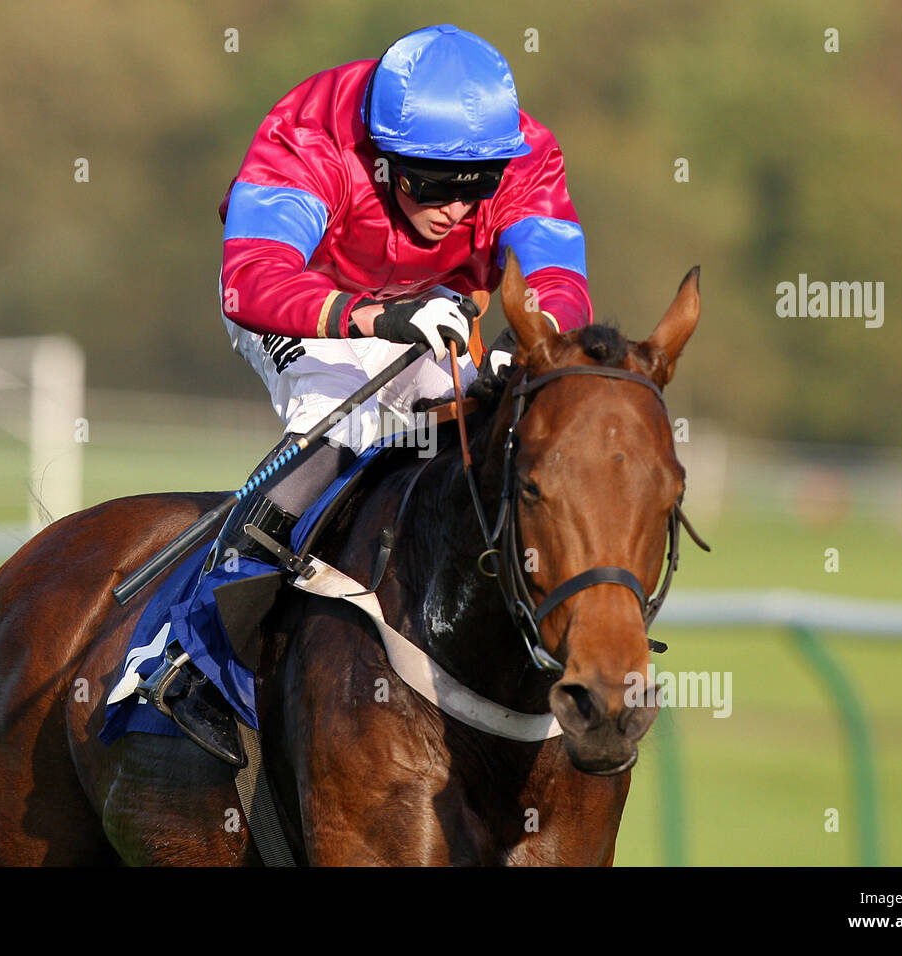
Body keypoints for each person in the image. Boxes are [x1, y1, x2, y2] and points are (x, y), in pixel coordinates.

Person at [143, 24, 595, 765]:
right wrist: (368, 316)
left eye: (474, 187)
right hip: (304, 301)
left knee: (477, 429)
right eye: (432, 185)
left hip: (431, 306)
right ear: (381, 158)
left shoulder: (524, 150)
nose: (456, 208)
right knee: (344, 418)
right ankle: (195, 656)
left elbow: (556, 275)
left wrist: (533, 334)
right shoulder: (308, 133)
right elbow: (250, 279)